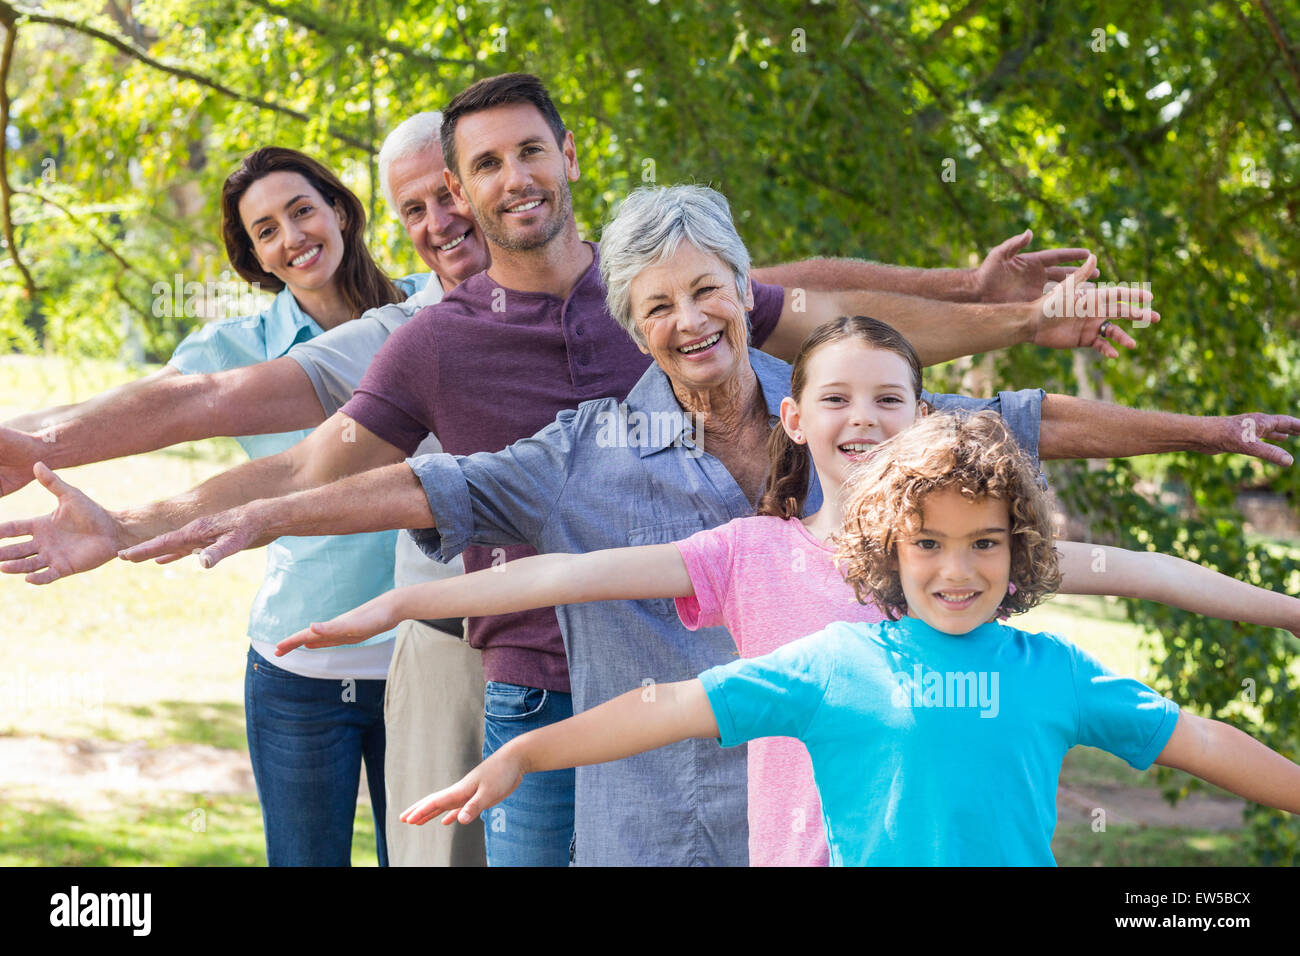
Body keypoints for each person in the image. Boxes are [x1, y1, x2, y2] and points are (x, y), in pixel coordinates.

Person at [0, 72, 1163, 864]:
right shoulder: (428, 335)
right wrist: (117, 507)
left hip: (727, 673)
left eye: (527, 152)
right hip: (536, 681)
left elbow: (835, 318)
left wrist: (994, 306)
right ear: (455, 194)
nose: (507, 182)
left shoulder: (663, 285)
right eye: (475, 170)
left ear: (564, 160)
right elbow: (288, 452)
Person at [277, 315, 1300, 865]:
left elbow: (1146, 579)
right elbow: (574, 586)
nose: (956, 567)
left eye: (888, 396)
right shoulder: (759, 560)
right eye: (838, 396)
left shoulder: (987, 571)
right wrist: (411, 601)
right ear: (793, 416)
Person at [0, 115, 495, 867]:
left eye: (302, 210)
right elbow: (156, 405)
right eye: (266, 230)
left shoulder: (435, 303)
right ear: (255, 256)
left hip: (418, 655)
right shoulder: (232, 353)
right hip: (300, 665)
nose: (292, 236)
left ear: (340, 210)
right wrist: (29, 438)